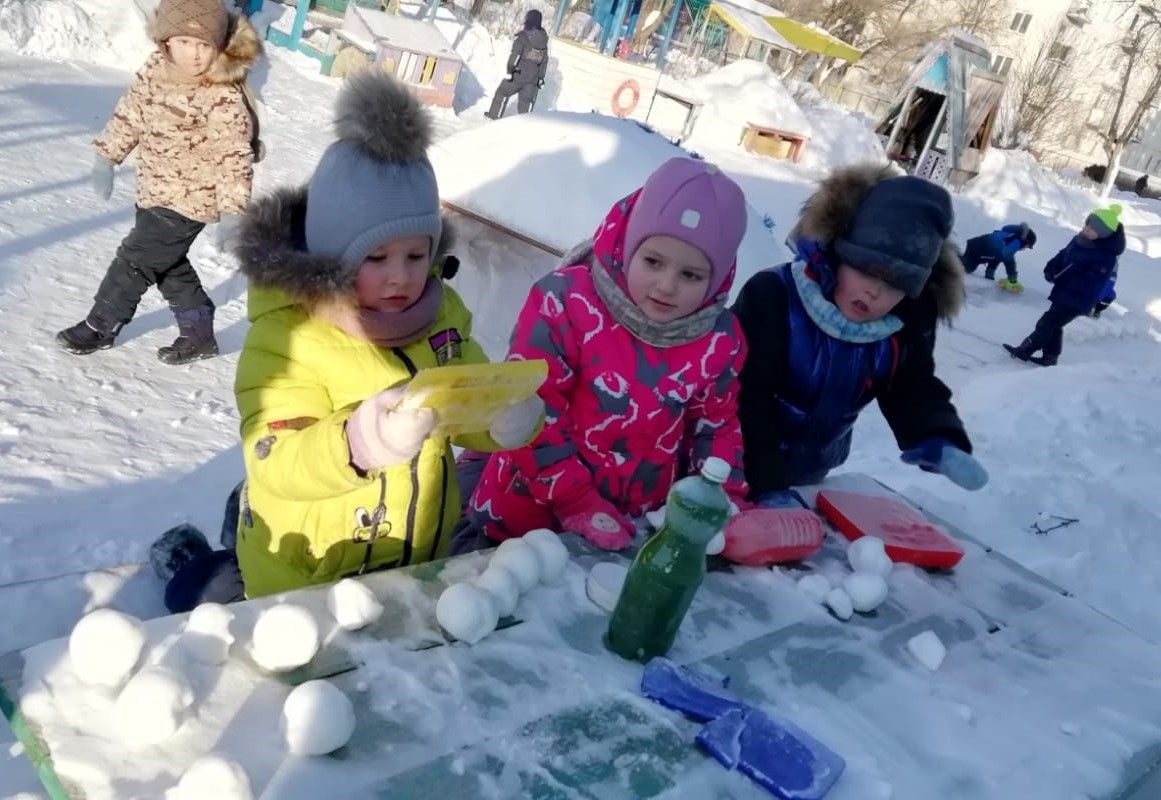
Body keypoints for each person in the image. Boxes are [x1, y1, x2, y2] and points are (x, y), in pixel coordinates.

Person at [155, 71, 543, 610]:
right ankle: (189, 554)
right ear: (334, 254)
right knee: (201, 596)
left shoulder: (442, 315)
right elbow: (277, 459)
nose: (400, 277)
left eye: (415, 255)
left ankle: (231, 521)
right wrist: (362, 443)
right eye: (376, 257)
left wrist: (499, 422)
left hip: (404, 564)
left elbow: (464, 402)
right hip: (304, 572)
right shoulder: (289, 335)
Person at [463, 157, 750, 552]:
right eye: (653, 262)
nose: (666, 286)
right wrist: (576, 500)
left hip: (630, 525)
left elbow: (715, 426)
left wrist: (723, 500)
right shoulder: (564, 303)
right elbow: (530, 409)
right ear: (630, 242)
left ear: (717, 279)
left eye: (691, 275)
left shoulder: (718, 340)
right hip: (524, 517)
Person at [733, 164, 987, 502]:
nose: (874, 293)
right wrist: (767, 484)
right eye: (866, 271)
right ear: (838, 251)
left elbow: (911, 386)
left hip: (809, 475)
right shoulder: (775, 297)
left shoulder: (900, 326)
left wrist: (937, 435)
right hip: (730, 463)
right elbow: (745, 396)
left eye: (895, 285)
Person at [56, 0, 260, 364]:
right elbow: (131, 113)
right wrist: (107, 156)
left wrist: (232, 212)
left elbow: (233, 157)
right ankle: (198, 331)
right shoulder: (154, 69)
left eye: (204, 45)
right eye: (185, 43)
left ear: (217, 46)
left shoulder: (221, 93)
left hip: (191, 199)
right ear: (166, 41)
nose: (195, 55)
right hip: (153, 188)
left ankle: (102, 322)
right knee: (166, 262)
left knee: (135, 259)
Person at [1005, 204, 1125, 366]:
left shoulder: (1105, 257)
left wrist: (1062, 277)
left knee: (1047, 322)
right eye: (1087, 225)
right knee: (1055, 325)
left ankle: (1026, 349)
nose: (1087, 229)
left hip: (1078, 299)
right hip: (1064, 292)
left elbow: (1090, 281)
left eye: (1093, 229)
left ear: (1103, 235)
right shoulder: (1081, 240)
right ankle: (1050, 357)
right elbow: (1064, 254)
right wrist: (1052, 267)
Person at [484, 10, 549, 119]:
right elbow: (544, 62)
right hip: (533, 79)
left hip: (519, 74)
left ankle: (494, 117)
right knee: (525, 104)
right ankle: (524, 127)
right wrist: (540, 78)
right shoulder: (543, 41)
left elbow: (514, 57)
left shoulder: (523, 37)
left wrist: (510, 71)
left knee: (502, 92)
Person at [961, 222, 1036, 292]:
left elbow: (998, 256)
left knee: (969, 267)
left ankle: (953, 258)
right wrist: (1012, 278)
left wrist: (989, 274)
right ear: (1026, 241)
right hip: (978, 248)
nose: (1025, 248)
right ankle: (950, 259)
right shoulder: (1016, 242)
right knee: (967, 267)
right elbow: (1007, 259)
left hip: (978, 245)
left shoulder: (1011, 237)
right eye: (1028, 246)